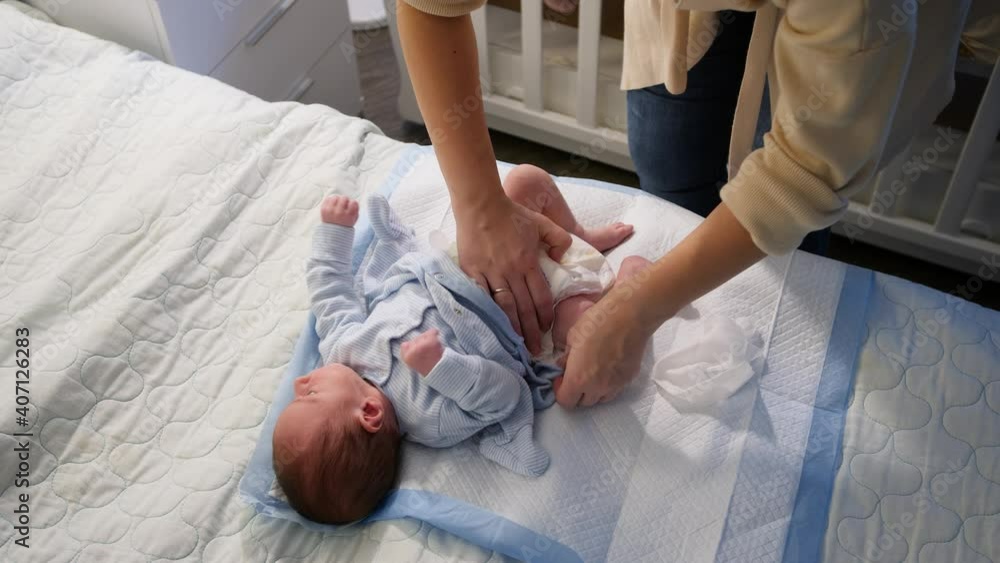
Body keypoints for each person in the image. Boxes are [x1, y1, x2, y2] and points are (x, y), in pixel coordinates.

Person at [395, 0, 971, 407]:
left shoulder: (863, 15)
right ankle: (620, 263)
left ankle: (661, 280)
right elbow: (430, 6)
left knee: (783, 257)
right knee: (631, 164)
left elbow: (805, 173)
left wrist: (635, 310)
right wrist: (479, 206)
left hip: (852, 35)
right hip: (516, 285)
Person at [271, 166, 648, 523]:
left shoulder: (341, 348)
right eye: (309, 397)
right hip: (531, 316)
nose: (299, 384)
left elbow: (330, 294)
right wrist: (441, 367)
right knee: (588, 343)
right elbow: (505, 396)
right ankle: (633, 287)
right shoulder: (429, 420)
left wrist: (333, 232)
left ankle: (578, 233)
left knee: (524, 183)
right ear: (369, 413)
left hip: (471, 264)